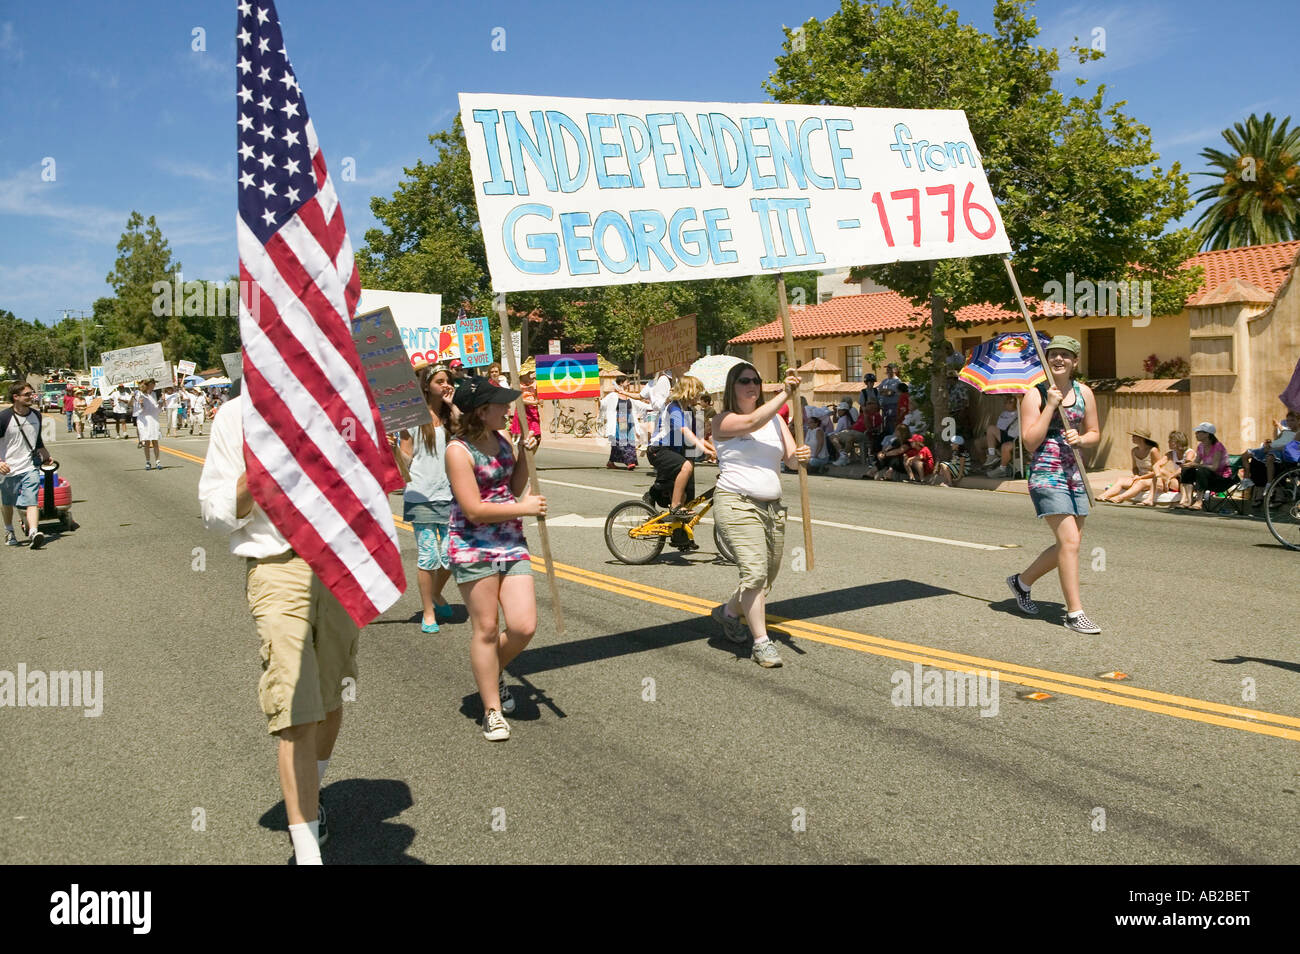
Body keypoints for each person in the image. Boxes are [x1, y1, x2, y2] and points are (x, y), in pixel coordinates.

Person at [197, 391, 354, 864]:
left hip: (339, 561)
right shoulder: (235, 415)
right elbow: (215, 512)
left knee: (330, 697)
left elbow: (391, 479)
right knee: (295, 707)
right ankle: (307, 852)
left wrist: (395, 434)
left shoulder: (339, 400)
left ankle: (312, 788)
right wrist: (257, 471)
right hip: (275, 563)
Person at [444, 375, 546, 742]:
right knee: (486, 629)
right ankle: (491, 709)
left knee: (523, 626)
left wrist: (526, 455)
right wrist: (524, 508)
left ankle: (490, 673)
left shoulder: (502, 439)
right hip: (473, 544)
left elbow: (512, 486)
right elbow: (472, 509)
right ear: (483, 410)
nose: (508, 410)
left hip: (510, 540)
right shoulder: (458, 450)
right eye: (501, 405)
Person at [708, 365, 810, 668]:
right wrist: (785, 394)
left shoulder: (777, 422)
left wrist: (801, 455)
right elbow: (752, 421)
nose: (752, 385)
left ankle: (728, 612)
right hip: (737, 503)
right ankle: (761, 643)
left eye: (756, 380)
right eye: (744, 381)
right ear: (732, 386)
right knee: (754, 573)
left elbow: (791, 460)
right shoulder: (722, 420)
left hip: (772, 508)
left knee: (765, 578)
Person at [1006, 336, 1101, 635]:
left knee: (1068, 544)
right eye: (1053, 355)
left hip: (1075, 474)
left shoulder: (1084, 392)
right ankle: (1075, 613)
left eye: (1065, 355)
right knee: (1070, 543)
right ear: (1046, 360)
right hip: (1047, 474)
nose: (1059, 359)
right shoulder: (1033, 395)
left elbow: (1095, 432)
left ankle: (1021, 583)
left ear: (1075, 361)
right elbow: (1031, 442)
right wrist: (1050, 406)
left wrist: (1082, 439)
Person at [398, 364, 457, 634]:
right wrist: (393, 452)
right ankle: (429, 611)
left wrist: (453, 406)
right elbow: (406, 459)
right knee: (429, 556)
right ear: (426, 385)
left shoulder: (451, 416)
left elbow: (467, 436)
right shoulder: (411, 416)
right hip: (421, 495)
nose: (445, 384)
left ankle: (435, 593)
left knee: (451, 556)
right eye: (440, 380)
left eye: (448, 380)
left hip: (450, 494)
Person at [645, 375, 714, 526]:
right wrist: (703, 449)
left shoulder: (689, 410)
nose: (699, 395)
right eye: (697, 392)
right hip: (659, 449)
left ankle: (680, 537)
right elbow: (684, 431)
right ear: (689, 392)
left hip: (675, 451)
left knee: (689, 495)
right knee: (686, 466)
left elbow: (697, 436)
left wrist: (715, 451)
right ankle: (675, 505)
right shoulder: (674, 407)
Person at [1, 382, 48, 550]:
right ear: (16, 397)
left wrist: (45, 454)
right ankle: (9, 530)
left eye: (32, 393)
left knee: (31, 499)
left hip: (29, 466)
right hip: (8, 468)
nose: (31, 396)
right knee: (8, 502)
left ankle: (34, 532)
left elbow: (37, 440)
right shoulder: (4, 418)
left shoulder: (36, 415)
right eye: (27, 394)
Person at [1241, 408, 1300, 507]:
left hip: (1288, 458)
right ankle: (1257, 490)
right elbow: (1277, 441)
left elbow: (1290, 448)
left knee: (1272, 460)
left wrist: (1272, 447)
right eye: (1288, 420)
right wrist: (1269, 445)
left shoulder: (1298, 434)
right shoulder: (1285, 432)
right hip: (1275, 451)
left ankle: (1276, 493)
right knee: (1256, 461)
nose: (1289, 422)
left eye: (1292, 420)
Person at [1176, 423, 1232, 510]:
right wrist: (1187, 465)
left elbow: (1215, 467)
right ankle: (1188, 500)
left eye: (1199, 432)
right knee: (1187, 470)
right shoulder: (1201, 446)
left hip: (1221, 478)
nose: (1196, 434)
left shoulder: (1217, 446)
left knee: (1201, 470)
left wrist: (1197, 465)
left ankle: (1199, 501)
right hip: (1208, 475)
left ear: (1207, 434)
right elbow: (1196, 462)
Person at [1099, 428, 1162, 504]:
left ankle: (1120, 498)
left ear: (1141, 438)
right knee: (1120, 480)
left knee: (1141, 483)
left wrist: (1140, 477)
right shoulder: (1134, 450)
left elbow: (1158, 470)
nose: (1132, 438)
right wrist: (1136, 475)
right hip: (1139, 477)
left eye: (1134, 436)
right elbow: (1134, 468)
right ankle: (1104, 496)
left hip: (1153, 480)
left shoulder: (1153, 450)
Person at [600, 375, 646, 469]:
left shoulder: (628, 395)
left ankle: (611, 462)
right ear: (621, 383)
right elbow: (603, 403)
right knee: (624, 441)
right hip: (620, 418)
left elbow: (640, 404)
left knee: (628, 440)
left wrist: (654, 406)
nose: (629, 384)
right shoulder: (613, 395)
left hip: (629, 419)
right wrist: (597, 400)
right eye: (627, 382)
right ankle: (629, 461)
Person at [983, 396, 1021, 477]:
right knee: (989, 430)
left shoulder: (1020, 412)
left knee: (1005, 446)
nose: (1007, 404)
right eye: (1006, 402)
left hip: (1015, 438)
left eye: (1010, 403)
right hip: (1006, 434)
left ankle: (1002, 469)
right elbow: (1000, 427)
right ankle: (991, 456)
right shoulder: (1003, 414)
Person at [507, 368, 541, 453]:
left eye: (531, 372)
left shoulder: (536, 383)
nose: (530, 374)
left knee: (537, 436)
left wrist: (539, 400)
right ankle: (523, 459)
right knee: (523, 438)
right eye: (528, 372)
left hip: (533, 412)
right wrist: (535, 402)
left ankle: (530, 457)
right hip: (522, 411)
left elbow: (538, 397)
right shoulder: (517, 384)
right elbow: (519, 400)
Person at [132, 379, 162, 471]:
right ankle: (148, 461)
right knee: (147, 442)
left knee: (155, 440)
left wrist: (161, 403)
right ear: (148, 384)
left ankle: (158, 461)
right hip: (144, 420)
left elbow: (155, 407)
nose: (154, 386)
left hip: (153, 419)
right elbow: (137, 408)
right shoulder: (139, 394)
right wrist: (139, 403)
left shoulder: (153, 394)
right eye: (153, 384)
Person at [878, 364, 902, 431]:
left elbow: (890, 393)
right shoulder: (884, 381)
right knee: (885, 426)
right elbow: (878, 390)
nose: (887, 370)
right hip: (884, 406)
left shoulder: (897, 382)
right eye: (887, 369)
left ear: (895, 370)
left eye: (890, 369)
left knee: (891, 425)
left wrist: (883, 391)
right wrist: (884, 391)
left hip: (893, 407)